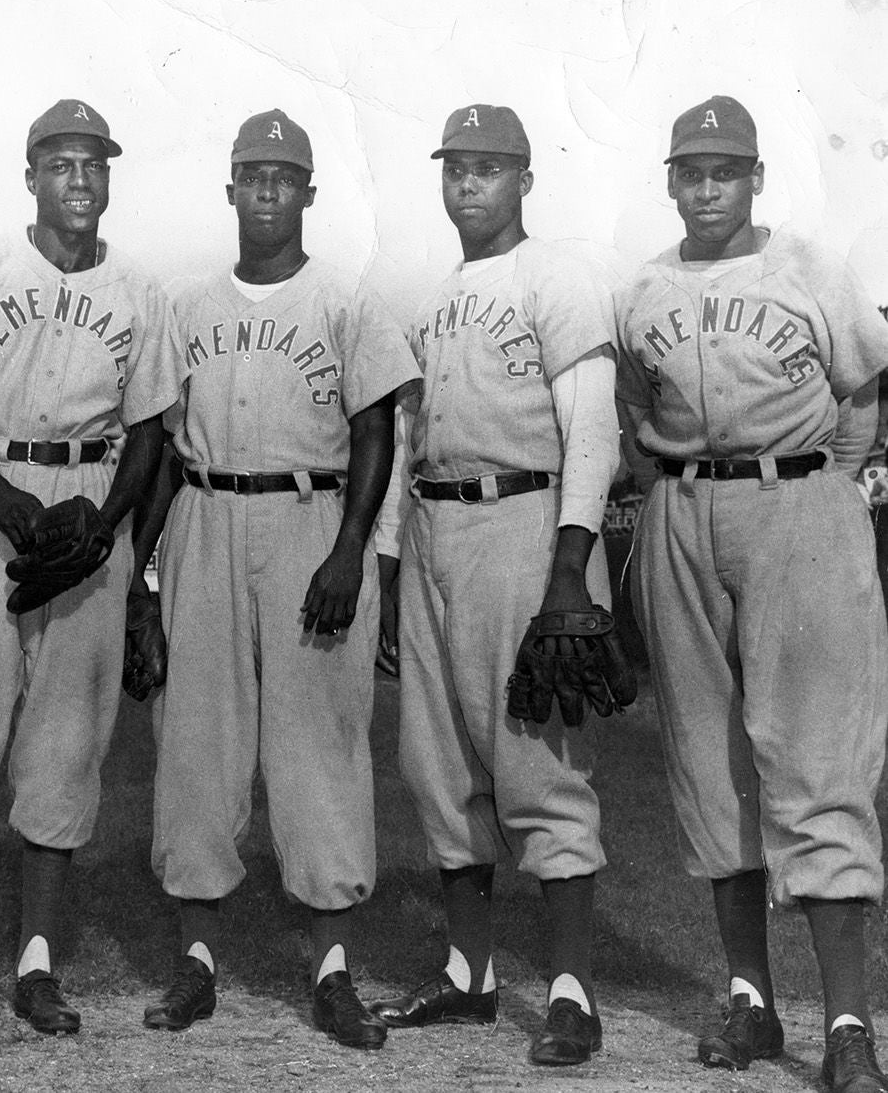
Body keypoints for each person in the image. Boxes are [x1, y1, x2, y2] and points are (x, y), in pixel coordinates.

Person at [0, 99, 183, 1035]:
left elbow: (150, 431)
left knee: (67, 740)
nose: (81, 181)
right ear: (30, 177)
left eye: (95, 164)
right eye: (62, 164)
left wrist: (107, 526)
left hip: (90, 501)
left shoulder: (142, 290)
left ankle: (37, 961)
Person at [615, 94, 888, 1092]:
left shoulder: (809, 268)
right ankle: (754, 1004)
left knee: (817, 759)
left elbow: (861, 398)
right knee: (707, 763)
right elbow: (640, 416)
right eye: (690, 171)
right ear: (672, 181)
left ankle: (850, 1024)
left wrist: (826, 493)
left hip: (801, 504)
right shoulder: (644, 285)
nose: (707, 189)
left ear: (756, 177)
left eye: (724, 171)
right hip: (686, 506)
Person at [135, 109, 412, 1049]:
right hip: (204, 516)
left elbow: (377, 432)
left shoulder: (345, 300)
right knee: (197, 738)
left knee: (320, 743)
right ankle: (197, 962)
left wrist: (351, 548)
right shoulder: (187, 305)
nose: (265, 190)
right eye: (251, 174)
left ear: (307, 194)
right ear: (229, 190)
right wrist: (143, 578)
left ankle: (333, 970)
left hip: (310, 517)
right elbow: (162, 451)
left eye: (282, 176)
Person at [372, 104, 620, 1066]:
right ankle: (470, 975)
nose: (468, 183)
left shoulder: (558, 278)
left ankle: (569, 989)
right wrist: (390, 566)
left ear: (524, 178)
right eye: (456, 167)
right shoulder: (432, 296)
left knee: (538, 760)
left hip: (528, 520)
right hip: (436, 523)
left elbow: (591, 430)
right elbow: (403, 448)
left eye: (488, 167)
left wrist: (570, 568)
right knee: (438, 762)